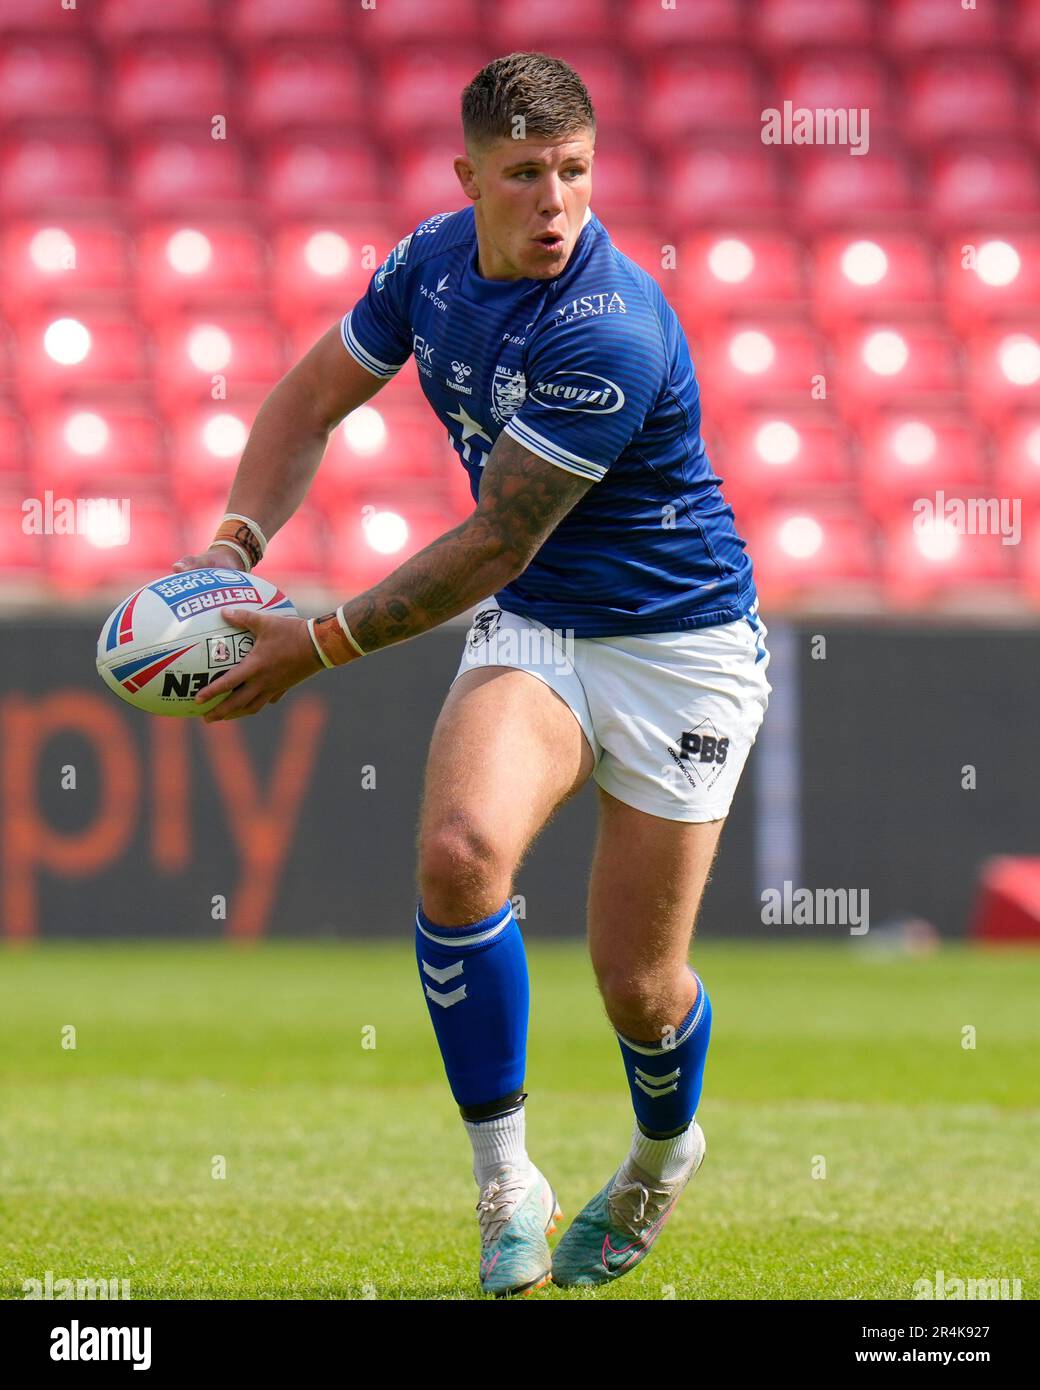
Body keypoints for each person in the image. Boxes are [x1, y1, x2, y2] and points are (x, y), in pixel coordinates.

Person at [173, 51, 770, 1297]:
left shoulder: (610, 325)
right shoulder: (427, 266)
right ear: (468, 177)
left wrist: (315, 646)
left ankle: (661, 1152)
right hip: (540, 626)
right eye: (524, 175)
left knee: (638, 985)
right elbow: (305, 401)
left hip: (677, 644)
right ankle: (507, 1178)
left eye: (574, 173)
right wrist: (231, 549)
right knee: (456, 853)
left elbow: (496, 536)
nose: (555, 201)